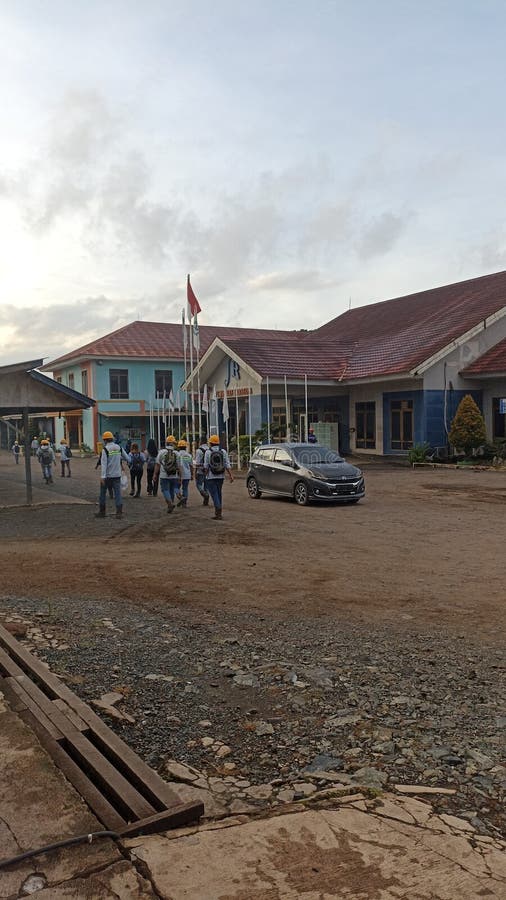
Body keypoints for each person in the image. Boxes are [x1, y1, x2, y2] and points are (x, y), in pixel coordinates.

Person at [95, 430, 131, 519]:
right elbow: (128, 459)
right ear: (112, 439)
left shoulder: (105, 450)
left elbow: (104, 464)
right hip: (117, 475)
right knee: (118, 494)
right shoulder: (119, 448)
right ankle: (119, 513)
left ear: (105, 440)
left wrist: (102, 477)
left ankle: (102, 512)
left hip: (107, 476)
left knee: (102, 494)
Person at [204, 434, 234, 520]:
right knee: (219, 493)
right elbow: (227, 464)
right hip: (221, 476)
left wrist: (205, 475)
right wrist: (231, 475)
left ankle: (218, 510)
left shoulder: (208, 452)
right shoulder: (223, 451)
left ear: (210, 443)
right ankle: (218, 512)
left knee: (214, 494)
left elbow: (206, 466)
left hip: (211, 477)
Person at [153, 435, 180, 514]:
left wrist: (155, 474)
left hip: (164, 475)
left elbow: (157, 464)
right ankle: (170, 505)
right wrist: (180, 476)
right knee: (171, 490)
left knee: (165, 490)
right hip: (174, 475)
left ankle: (170, 504)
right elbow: (179, 466)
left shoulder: (162, 452)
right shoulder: (176, 453)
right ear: (173, 444)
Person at [176, 439, 193, 507]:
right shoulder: (188, 455)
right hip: (187, 475)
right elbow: (191, 466)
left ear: (178, 447)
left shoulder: (177, 454)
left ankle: (180, 497)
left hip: (178, 475)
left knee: (176, 487)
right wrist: (192, 475)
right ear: (185, 447)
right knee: (185, 488)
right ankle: (184, 503)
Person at [194, 435, 210, 506]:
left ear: (200, 441)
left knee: (198, 485)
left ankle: (204, 494)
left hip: (200, 470)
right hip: (208, 471)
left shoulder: (198, 451)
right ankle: (206, 500)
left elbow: (197, 463)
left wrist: (195, 472)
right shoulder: (209, 450)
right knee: (206, 486)